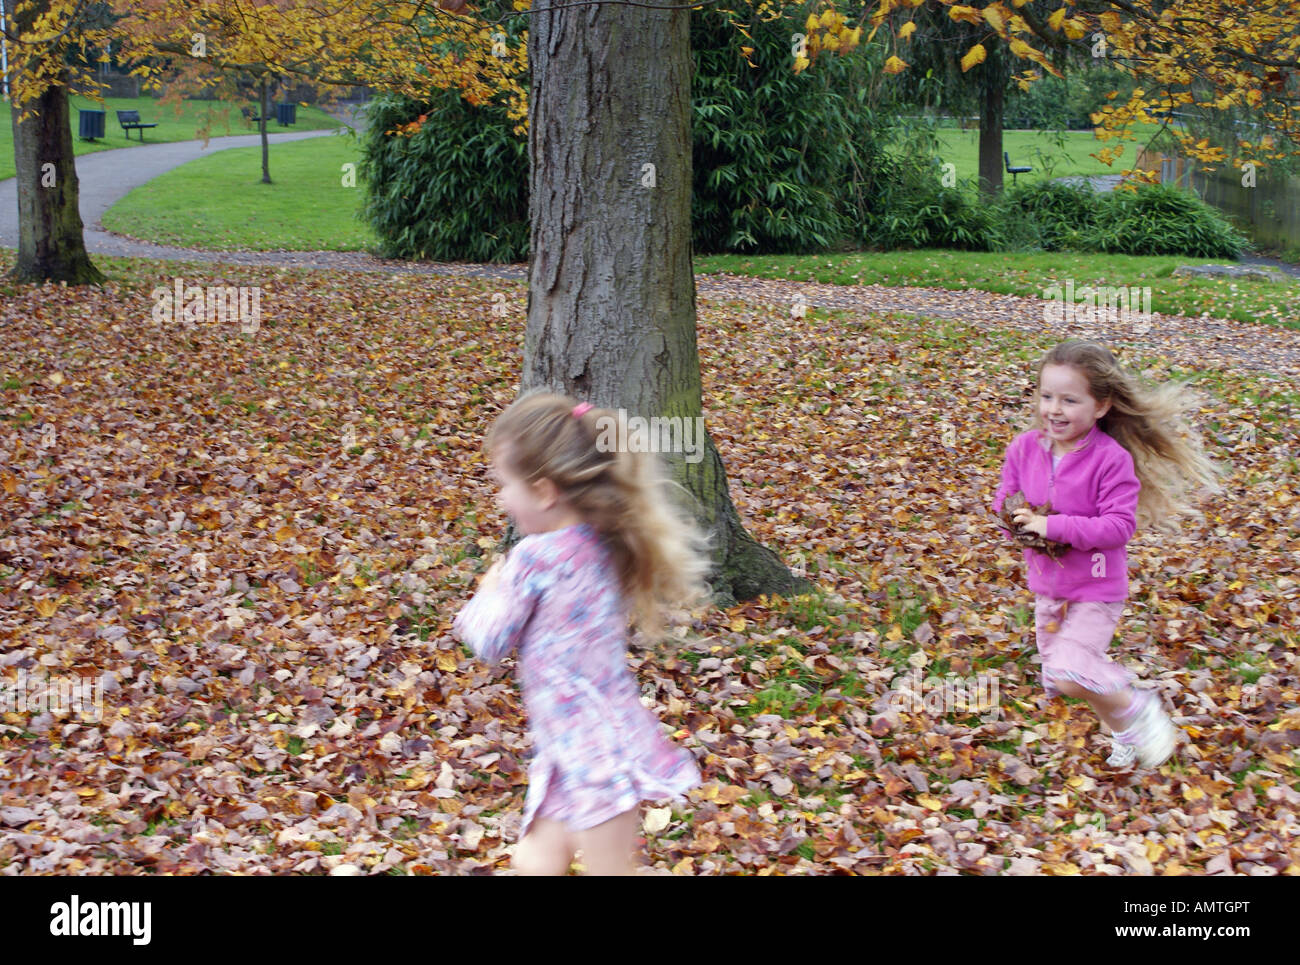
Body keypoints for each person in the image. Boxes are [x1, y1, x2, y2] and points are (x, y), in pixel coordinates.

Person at [452, 392, 713, 874]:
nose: (501, 497)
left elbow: (489, 640)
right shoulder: (601, 544)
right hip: (578, 741)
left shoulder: (535, 557)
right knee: (535, 857)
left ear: (545, 491)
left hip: (590, 749)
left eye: (505, 484)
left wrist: (490, 588)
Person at [991, 340, 1225, 769]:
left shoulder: (1109, 460)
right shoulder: (1025, 448)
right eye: (1046, 396)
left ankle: (1140, 707)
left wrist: (1053, 525)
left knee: (1069, 671)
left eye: (1069, 400)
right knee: (1073, 678)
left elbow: (1119, 527)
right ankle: (1123, 731)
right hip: (1048, 587)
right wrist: (1014, 516)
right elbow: (1005, 496)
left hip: (1097, 587)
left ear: (1100, 406)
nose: (1054, 409)